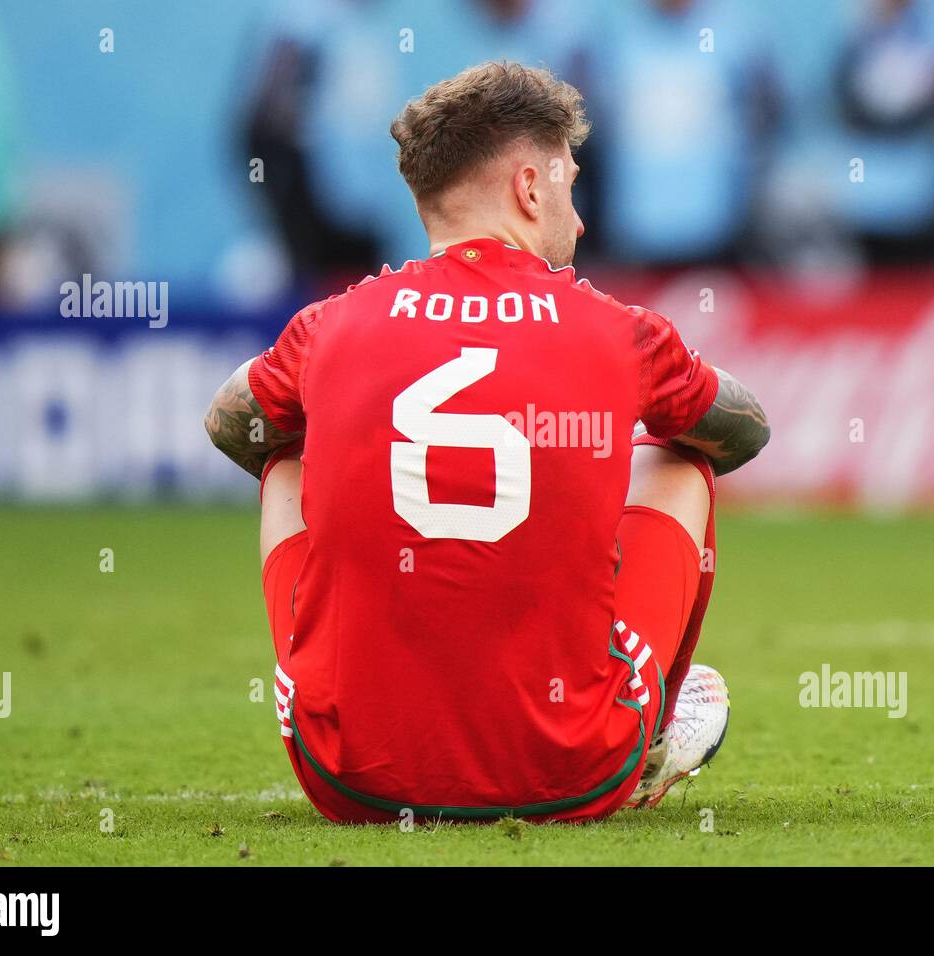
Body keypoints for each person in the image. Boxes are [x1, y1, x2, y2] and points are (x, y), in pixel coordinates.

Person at [204, 62, 769, 823]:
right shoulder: (621, 333)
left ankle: (350, 697)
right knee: (680, 462)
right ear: (530, 188)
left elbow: (227, 424)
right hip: (574, 770)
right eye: (570, 181)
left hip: (348, 778)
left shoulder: (329, 323)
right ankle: (655, 718)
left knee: (284, 461)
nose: (581, 216)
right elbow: (743, 430)